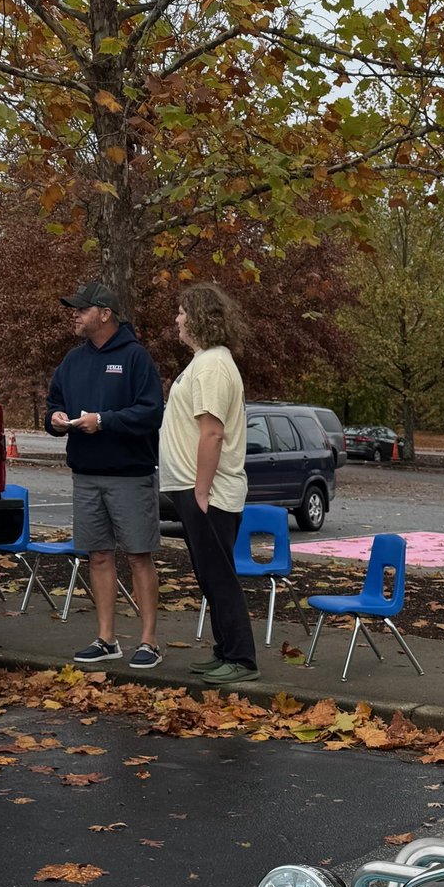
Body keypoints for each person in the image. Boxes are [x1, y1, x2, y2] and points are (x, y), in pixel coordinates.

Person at [45, 280, 164, 669]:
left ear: (105, 314)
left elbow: (151, 413)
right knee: (98, 555)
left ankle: (148, 641)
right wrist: (56, 420)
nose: (75, 315)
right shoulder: (72, 360)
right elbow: (53, 405)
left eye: (81, 309)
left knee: (138, 555)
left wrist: (105, 421)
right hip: (86, 475)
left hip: (130, 475)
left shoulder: (135, 358)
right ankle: (106, 638)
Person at [159, 282, 257, 684]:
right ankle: (224, 651)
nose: (177, 319)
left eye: (182, 311)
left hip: (209, 493)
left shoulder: (214, 365)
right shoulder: (203, 361)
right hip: (195, 489)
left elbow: (212, 433)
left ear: (199, 317)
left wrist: (201, 489)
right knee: (209, 575)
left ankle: (241, 659)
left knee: (219, 576)